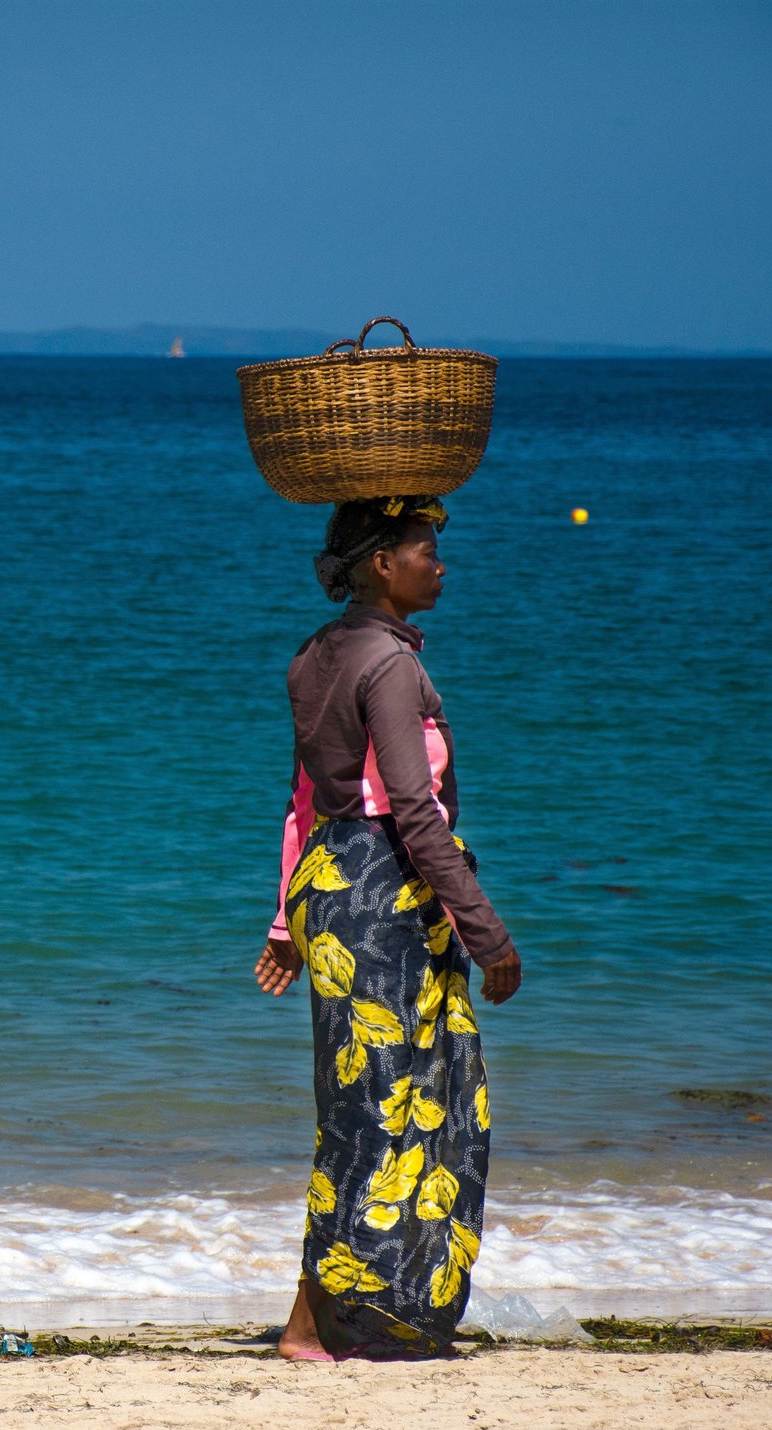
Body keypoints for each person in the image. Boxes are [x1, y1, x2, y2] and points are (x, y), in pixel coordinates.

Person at [252, 494, 523, 1361]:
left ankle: (345, 1314)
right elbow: (412, 813)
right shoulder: (392, 667)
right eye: (424, 551)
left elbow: (305, 804)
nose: (439, 566)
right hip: (385, 901)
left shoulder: (315, 655)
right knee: (400, 1109)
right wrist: (487, 933)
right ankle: (316, 1321)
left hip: (332, 891)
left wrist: (286, 922)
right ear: (381, 564)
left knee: (358, 1109)